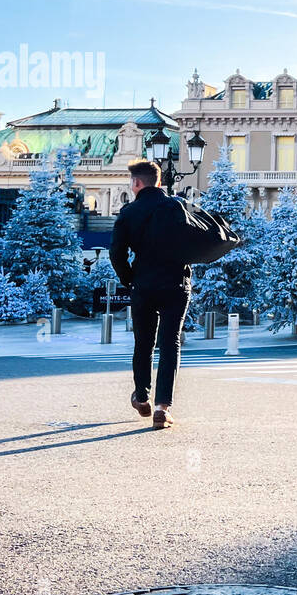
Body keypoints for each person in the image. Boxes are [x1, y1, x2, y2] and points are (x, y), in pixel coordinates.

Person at [109, 161, 191, 430]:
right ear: (158, 182)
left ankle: (142, 396)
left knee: (143, 343)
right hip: (175, 283)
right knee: (170, 344)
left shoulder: (129, 212)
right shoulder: (175, 207)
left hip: (143, 284)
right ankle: (161, 408)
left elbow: (116, 253)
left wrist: (129, 278)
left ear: (136, 183)